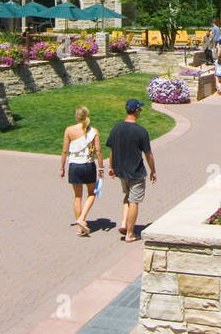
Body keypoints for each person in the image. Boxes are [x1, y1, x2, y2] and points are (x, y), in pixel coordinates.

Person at [105, 98, 156, 243]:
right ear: (136, 111)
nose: (140, 111)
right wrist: (153, 170)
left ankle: (124, 223)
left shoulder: (116, 128)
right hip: (136, 172)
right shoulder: (141, 131)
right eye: (140, 109)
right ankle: (130, 233)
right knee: (134, 201)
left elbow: (112, 150)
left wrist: (111, 167)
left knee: (127, 196)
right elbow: (148, 154)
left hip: (121, 170)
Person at [60, 105, 102, 237]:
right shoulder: (93, 131)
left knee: (78, 196)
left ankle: (79, 227)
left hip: (74, 166)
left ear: (76, 116)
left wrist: (62, 167)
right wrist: (101, 167)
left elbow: (65, 151)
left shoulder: (69, 130)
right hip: (88, 165)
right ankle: (82, 219)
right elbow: (99, 151)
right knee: (92, 193)